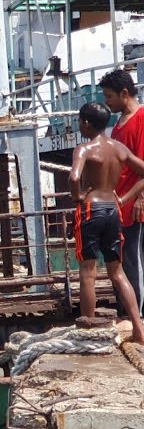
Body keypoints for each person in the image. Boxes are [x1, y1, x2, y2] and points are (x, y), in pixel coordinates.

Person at [70, 102, 144, 343]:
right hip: (113, 209)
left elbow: (74, 177)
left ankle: (87, 333)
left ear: (87, 123)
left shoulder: (84, 149)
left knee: (88, 273)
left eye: (81, 121)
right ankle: (139, 329)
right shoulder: (118, 148)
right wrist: (124, 198)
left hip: (91, 209)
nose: (80, 125)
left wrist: (78, 196)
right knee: (117, 272)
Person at [101, 69, 144, 316]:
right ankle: (128, 313)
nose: (107, 102)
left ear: (124, 94)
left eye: (109, 96)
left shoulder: (140, 119)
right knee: (124, 264)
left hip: (133, 204)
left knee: (134, 262)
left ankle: (137, 316)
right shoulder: (118, 125)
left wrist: (138, 197)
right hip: (120, 205)